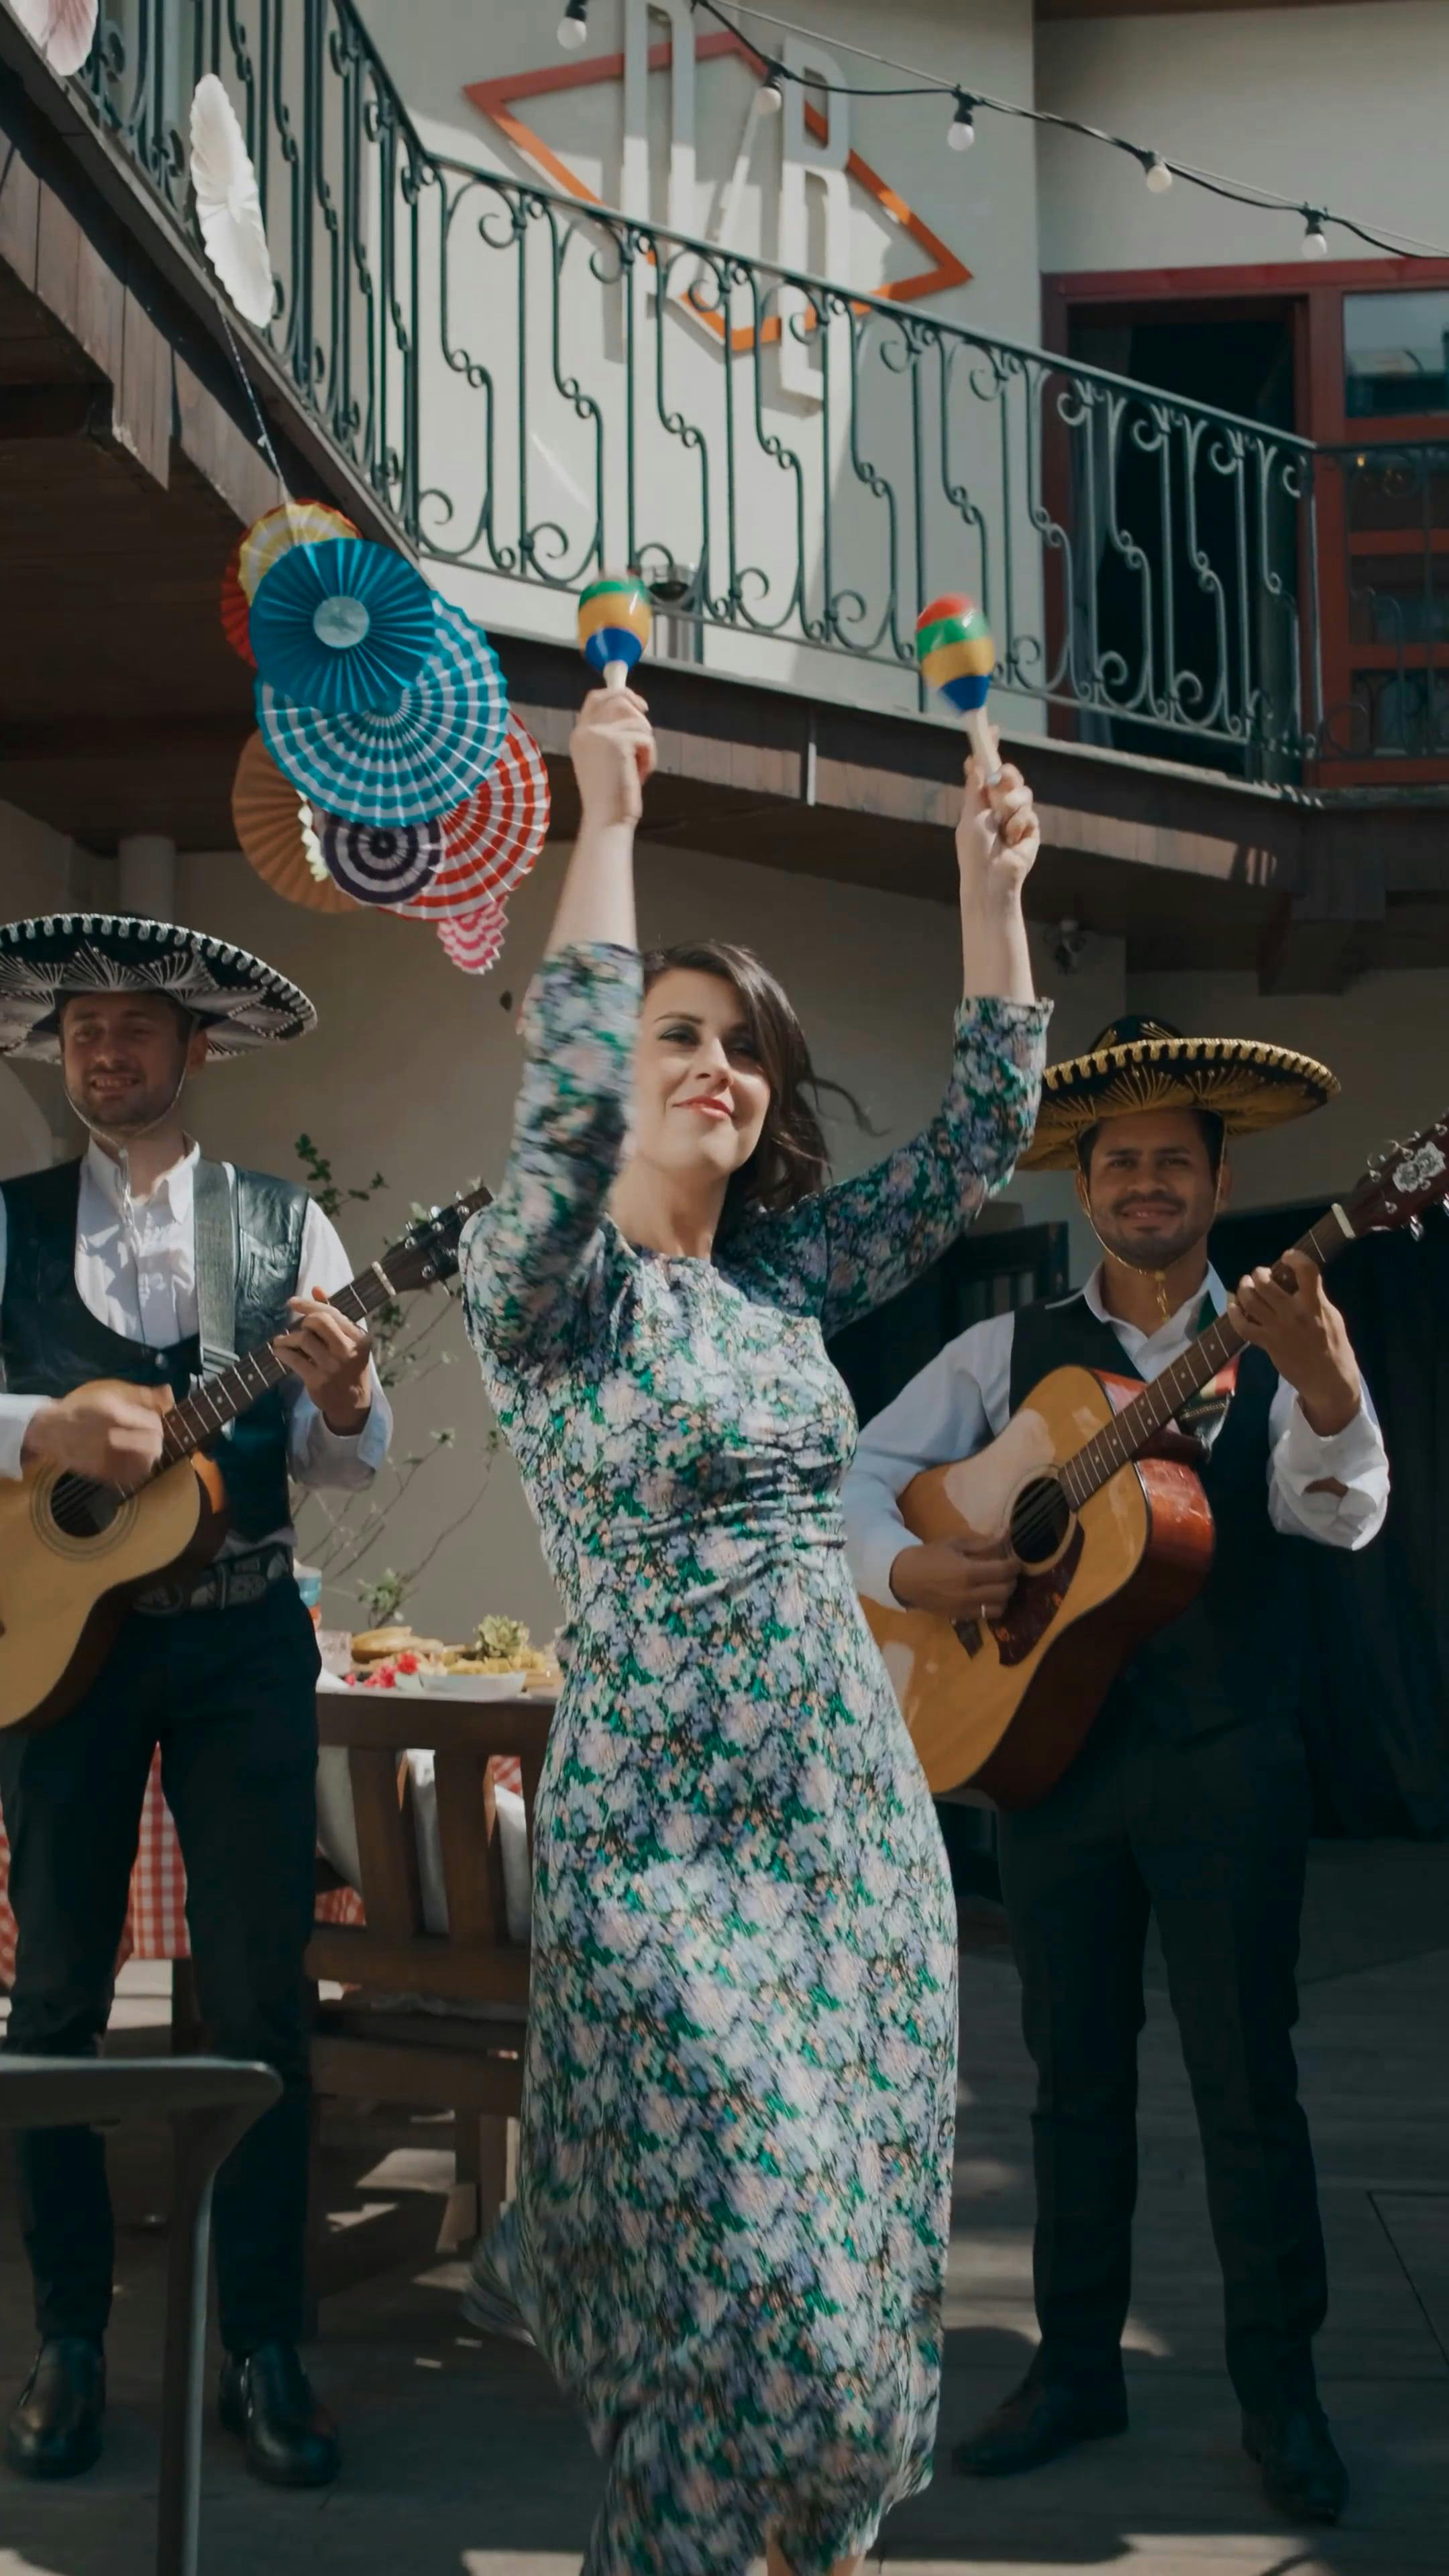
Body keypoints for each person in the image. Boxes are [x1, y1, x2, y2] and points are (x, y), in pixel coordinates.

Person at [458, 684, 1049, 2575]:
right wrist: (604, 821)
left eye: (747, 1050)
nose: (718, 1064)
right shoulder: (545, 1289)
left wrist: (986, 885)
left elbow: (981, 1137)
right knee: (751, 2293)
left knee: (863, 2310)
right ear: (626, 1068)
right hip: (662, 1858)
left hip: (854, 1842)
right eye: (679, 1035)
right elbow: (556, 1112)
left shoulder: (787, 1279)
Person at [843, 1015, 1391, 2528]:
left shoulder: (1278, 1330)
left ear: (1219, 1185)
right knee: (1073, 2083)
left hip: (1228, 1759)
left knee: (1245, 2084)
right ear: (1088, 1187)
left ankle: (1283, 2398)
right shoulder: (1000, 1352)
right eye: (1120, 1161)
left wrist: (1330, 1390)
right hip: (1050, 1763)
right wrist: (918, 1567)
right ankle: (1078, 2368)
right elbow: (857, 1474)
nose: (1147, 1182)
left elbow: (1340, 1519)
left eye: (1175, 1161)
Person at [0, 913, 392, 2489]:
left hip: (240, 1651)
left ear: (195, 1049)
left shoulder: (280, 1226)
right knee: (54, 2005)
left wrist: (354, 1398)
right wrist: (52, 1419)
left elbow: (336, 1460)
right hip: (59, 1651)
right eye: (81, 1028)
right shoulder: (11, 1222)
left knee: (261, 2000)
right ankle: (72, 2340)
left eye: (135, 1027)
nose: (105, 1049)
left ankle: (262, 2342)